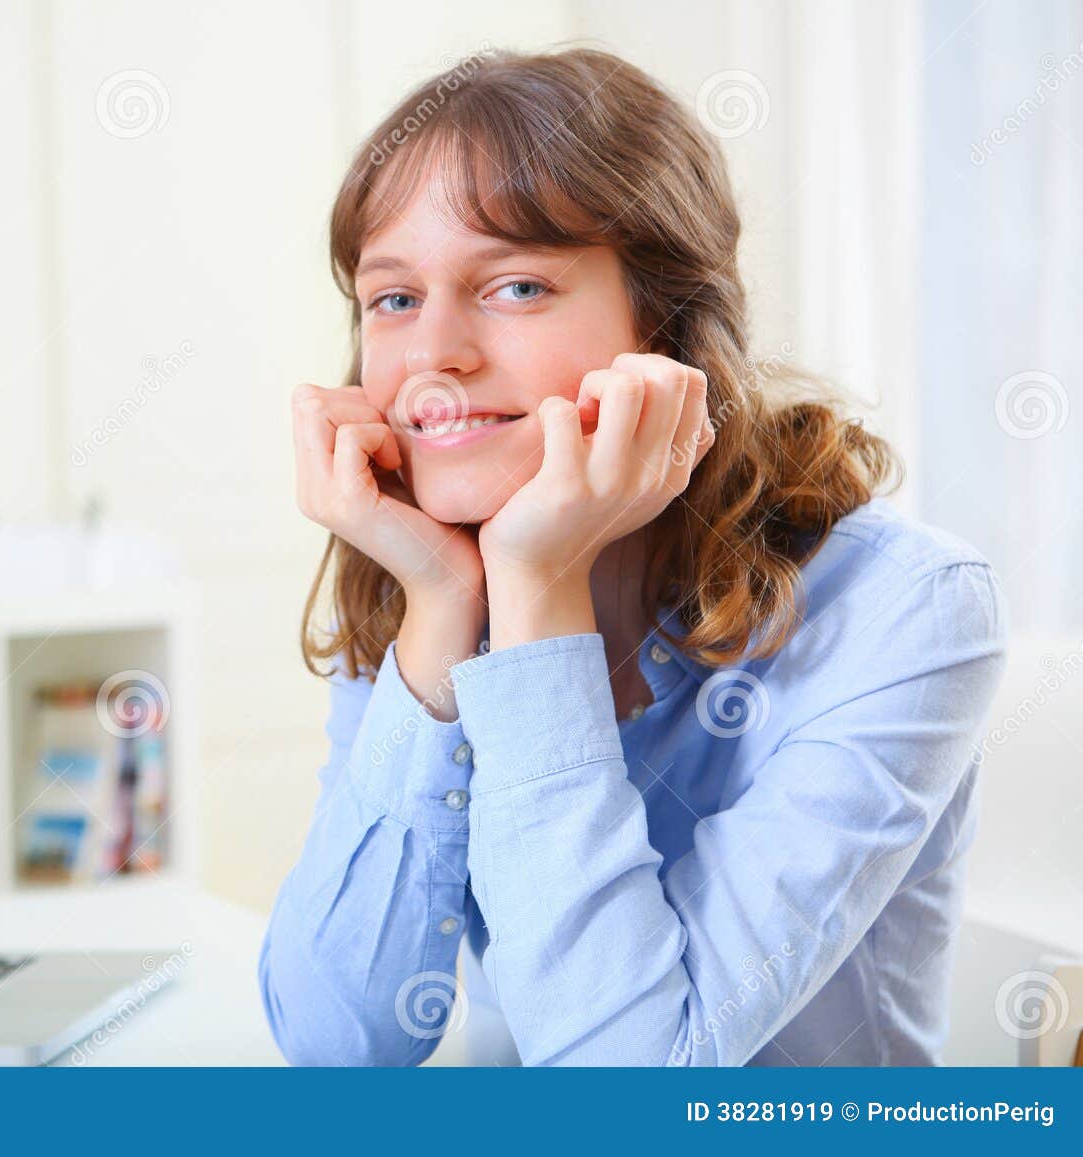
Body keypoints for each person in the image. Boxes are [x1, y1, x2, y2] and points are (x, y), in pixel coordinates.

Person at [260, 47, 1007, 1066]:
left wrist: (539, 593)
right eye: (391, 299)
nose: (434, 351)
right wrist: (439, 610)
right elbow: (337, 1042)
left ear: (664, 331)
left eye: (516, 285)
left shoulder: (903, 607)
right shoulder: (426, 567)